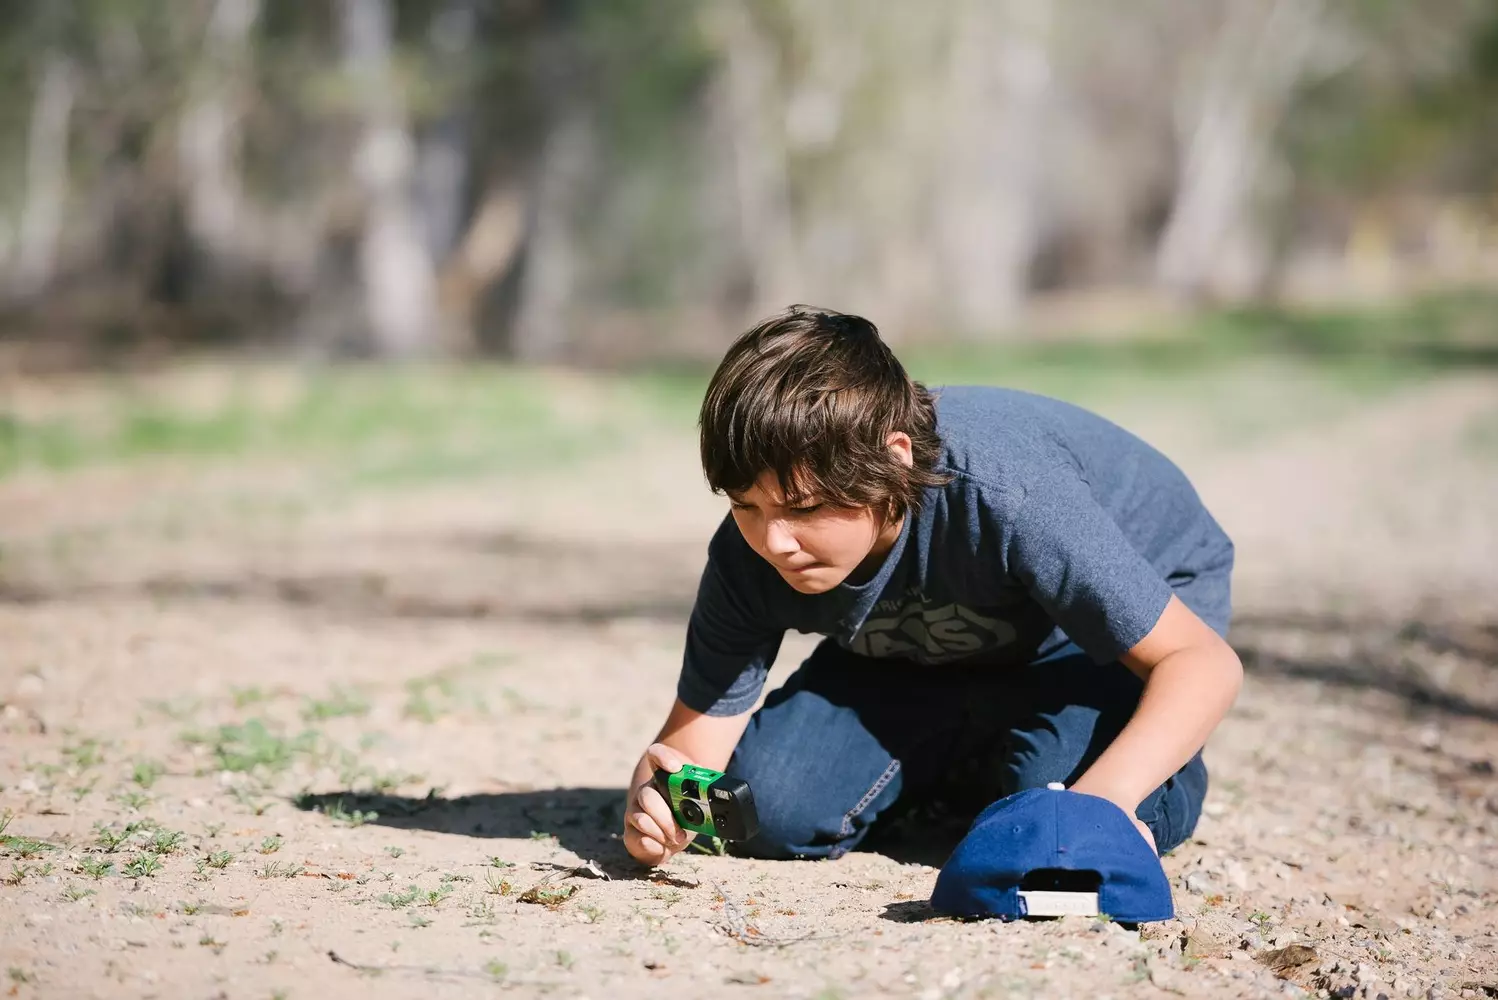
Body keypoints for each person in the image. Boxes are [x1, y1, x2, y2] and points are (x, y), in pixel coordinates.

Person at [622, 305, 1242, 866]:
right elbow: (688, 749)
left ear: (893, 459)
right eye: (745, 505)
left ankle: (1143, 769)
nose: (774, 541)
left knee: (1055, 821)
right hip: (924, 651)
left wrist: (1107, 801)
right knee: (772, 813)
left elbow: (1200, 662)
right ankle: (973, 762)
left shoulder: (1010, 492)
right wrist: (656, 812)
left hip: (1090, 645)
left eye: (805, 508)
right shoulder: (750, 548)